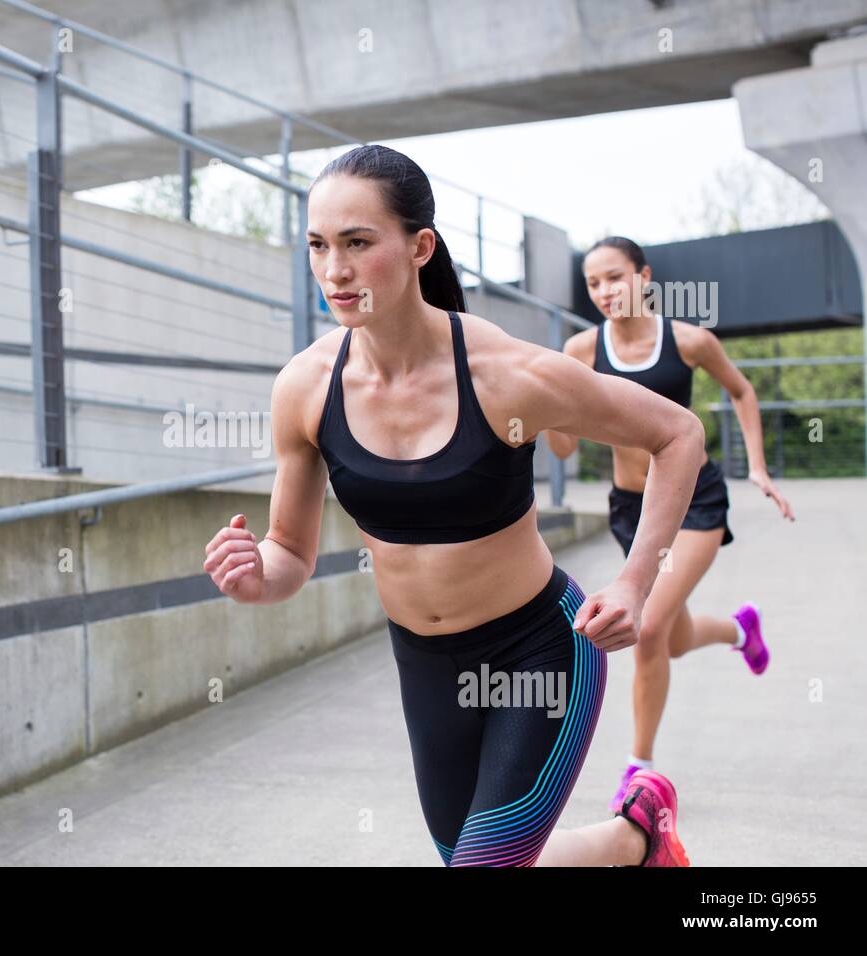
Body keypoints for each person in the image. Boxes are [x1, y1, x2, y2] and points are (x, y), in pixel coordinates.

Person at [202, 145, 704, 866]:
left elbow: (677, 433)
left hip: (539, 650)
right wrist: (258, 576)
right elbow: (290, 551)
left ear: (419, 247)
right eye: (318, 245)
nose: (334, 269)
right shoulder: (305, 389)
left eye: (357, 243)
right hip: (427, 668)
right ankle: (637, 838)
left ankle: (637, 835)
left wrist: (634, 581)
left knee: (483, 864)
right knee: (477, 858)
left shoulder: (506, 375)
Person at [544, 236, 795, 812]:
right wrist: (545, 414)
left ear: (645, 277)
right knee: (673, 637)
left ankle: (640, 773)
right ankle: (740, 631)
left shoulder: (688, 341)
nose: (605, 292)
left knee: (650, 627)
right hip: (631, 511)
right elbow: (560, 449)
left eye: (616, 278)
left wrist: (756, 466)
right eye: (593, 284)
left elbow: (741, 390)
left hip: (693, 505)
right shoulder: (581, 348)